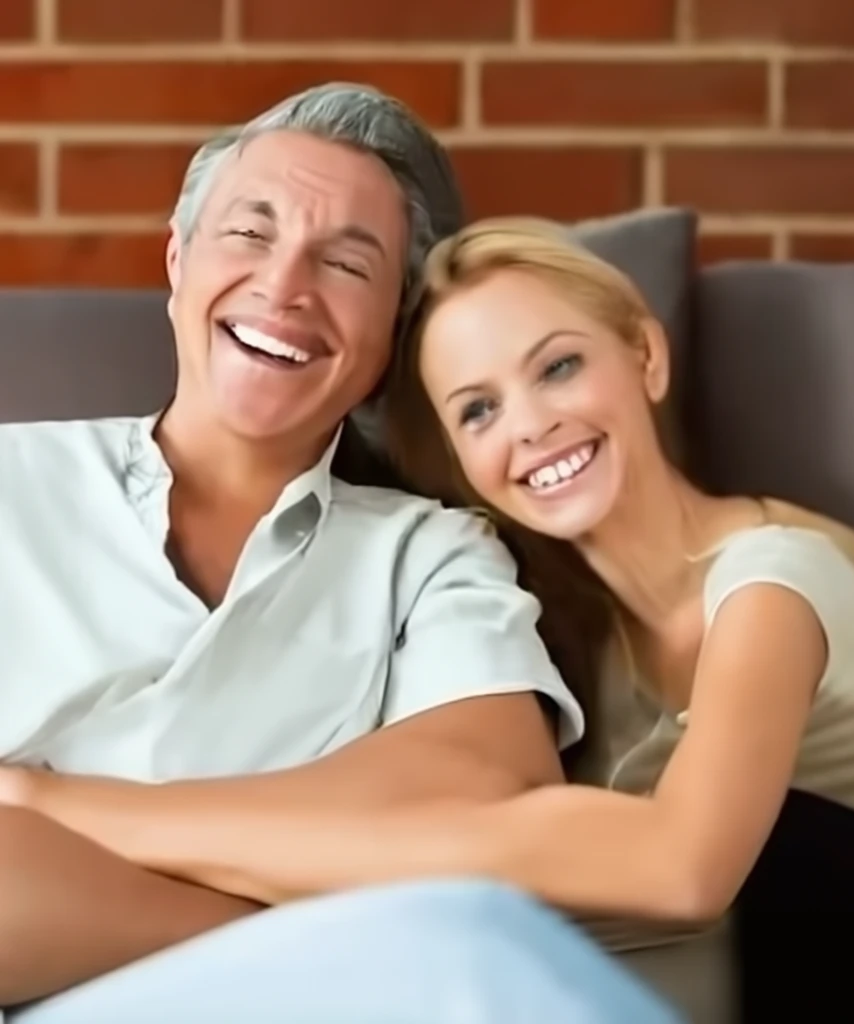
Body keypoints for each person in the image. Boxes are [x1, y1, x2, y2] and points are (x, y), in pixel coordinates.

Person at [72, 217, 854, 1021]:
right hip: (798, 975)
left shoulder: (774, 584)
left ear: (645, 356)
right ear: (457, 460)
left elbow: (684, 872)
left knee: (740, 848)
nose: (529, 425)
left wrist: (111, 819)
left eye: (559, 367)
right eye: (478, 410)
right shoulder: (561, 649)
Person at [0, 86, 683, 1024]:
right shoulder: (13, 480)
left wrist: (52, 803)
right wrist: (322, 917)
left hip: (345, 999)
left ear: (394, 335)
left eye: (346, 263)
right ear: (178, 260)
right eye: (250, 233)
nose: (284, 287)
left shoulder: (430, 554)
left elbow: (490, 794)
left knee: (478, 951)